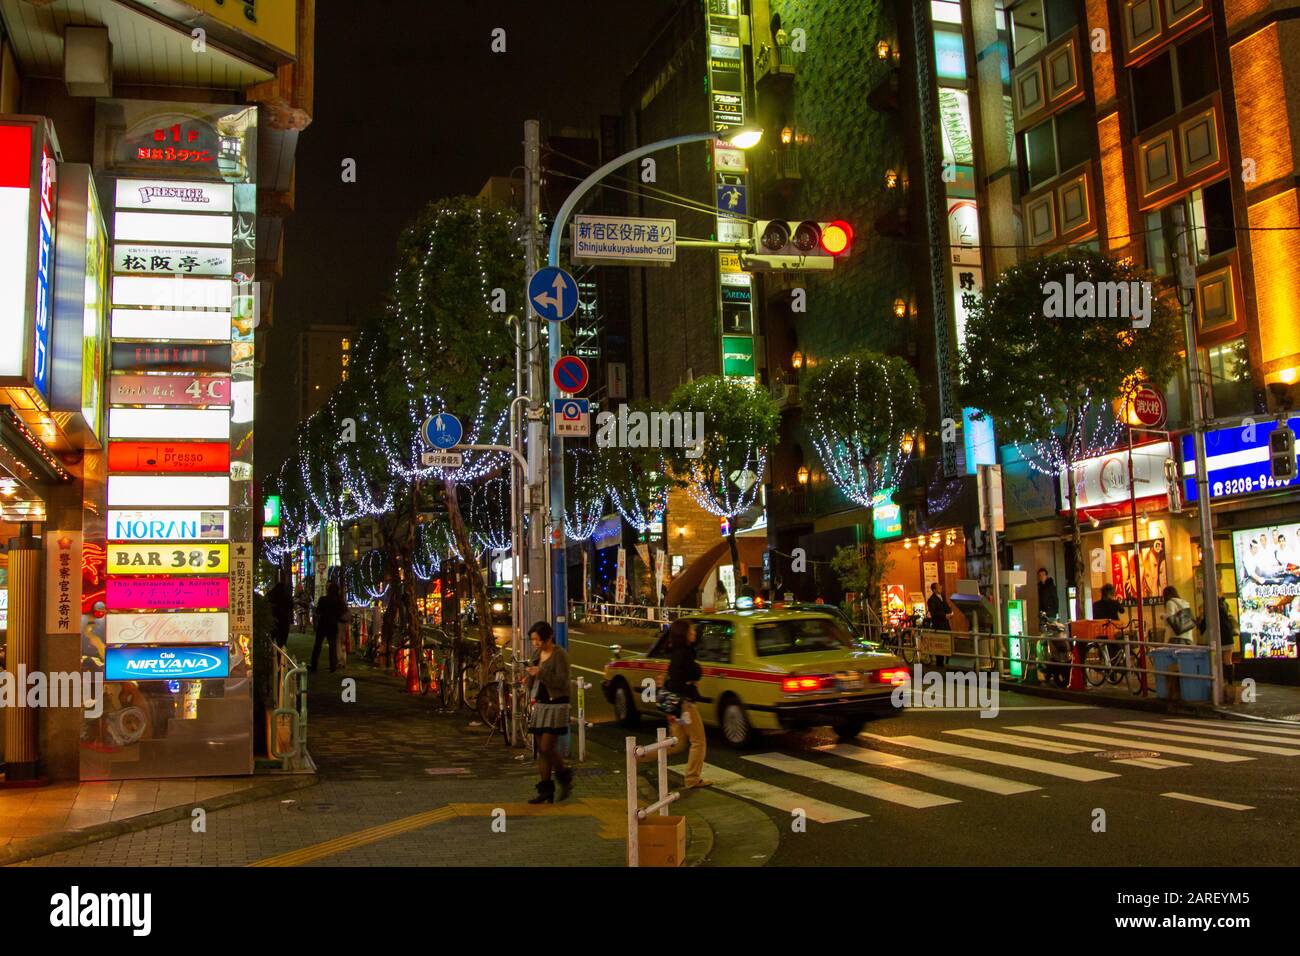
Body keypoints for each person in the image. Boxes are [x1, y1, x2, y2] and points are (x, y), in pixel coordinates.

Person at [525, 621, 573, 804]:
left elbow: (562, 681)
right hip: (541, 704)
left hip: (557, 705)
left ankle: (564, 776)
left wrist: (541, 672)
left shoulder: (559, 655)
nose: (536, 643)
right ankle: (546, 788)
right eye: (533, 640)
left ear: (548, 637)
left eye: (538, 639)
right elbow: (534, 678)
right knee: (542, 750)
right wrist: (528, 678)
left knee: (547, 747)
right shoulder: (536, 654)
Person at [664, 619, 709, 788]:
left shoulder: (677, 652)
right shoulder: (684, 654)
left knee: (678, 742)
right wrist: (694, 675)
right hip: (685, 706)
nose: (694, 633)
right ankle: (692, 778)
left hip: (678, 705)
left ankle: (640, 755)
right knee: (698, 741)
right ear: (684, 635)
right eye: (691, 631)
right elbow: (688, 675)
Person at [310, 582, 346, 673]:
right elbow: (342, 613)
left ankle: (314, 665)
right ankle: (332, 665)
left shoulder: (323, 599)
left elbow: (318, 611)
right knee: (332, 646)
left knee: (318, 645)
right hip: (333, 625)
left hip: (323, 624)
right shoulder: (338, 601)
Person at [925, 583, 951, 668]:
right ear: (935, 590)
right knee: (939, 645)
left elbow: (947, 607)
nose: (941, 587)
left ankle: (948, 662)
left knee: (948, 644)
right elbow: (934, 613)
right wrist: (944, 615)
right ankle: (940, 664)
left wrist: (950, 612)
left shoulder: (942, 598)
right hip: (938, 625)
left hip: (946, 625)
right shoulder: (931, 600)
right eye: (939, 587)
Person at [268, 578, 293, 649]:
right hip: (284, 620)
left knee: (272, 639)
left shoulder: (271, 593)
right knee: (282, 641)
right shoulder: (287, 594)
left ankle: (272, 655)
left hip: (273, 619)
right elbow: (291, 606)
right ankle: (281, 656)